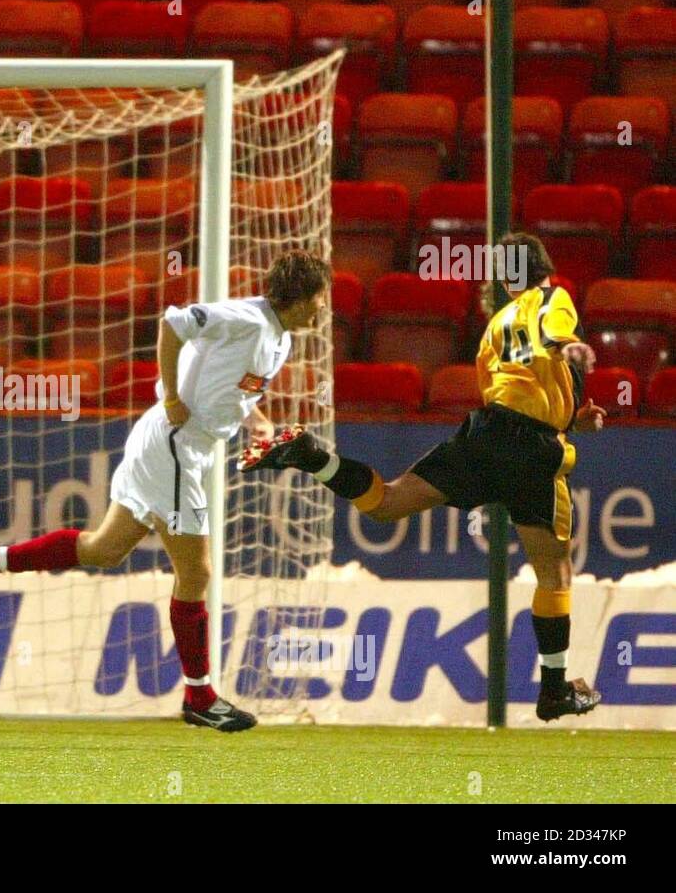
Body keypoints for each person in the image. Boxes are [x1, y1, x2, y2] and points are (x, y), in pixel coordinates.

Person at [0, 251, 332, 732]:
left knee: (103, 549)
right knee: (197, 572)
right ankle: (200, 697)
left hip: (173, 446)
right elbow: (172, 324)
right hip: (172, 446)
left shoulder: (280, 338)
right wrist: (171, 395)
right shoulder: (246, 319)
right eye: (320, 298)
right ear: (298, 297)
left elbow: (238, 390)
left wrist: (255, 420)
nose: (324, 308)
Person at [244, 232, 604, 722]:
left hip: (487, 432)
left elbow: (509, 393)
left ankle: (313, 458)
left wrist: (569, 417)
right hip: (530, 449)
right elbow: (551, 334)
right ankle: (555, 689)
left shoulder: (493, 329)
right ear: (542, 271)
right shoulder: (550, 297)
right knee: (555, 571)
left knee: (388, 504)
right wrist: (573, 347)